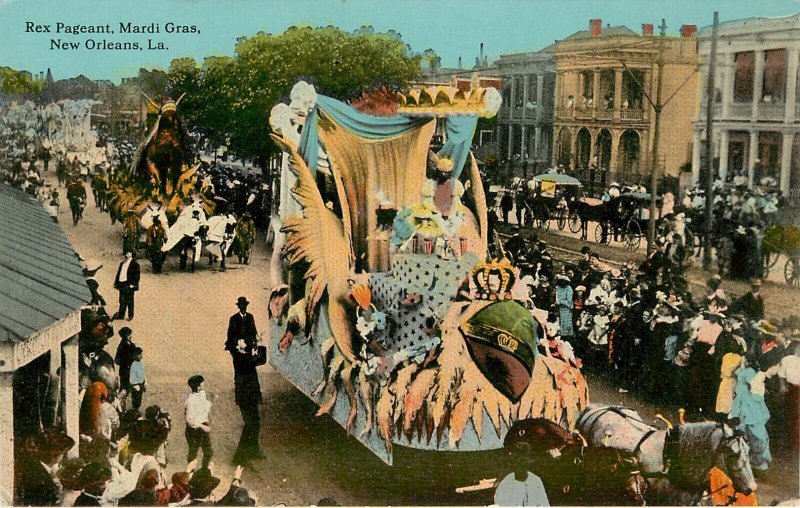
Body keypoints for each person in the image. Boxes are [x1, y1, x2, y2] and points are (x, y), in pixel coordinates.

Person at [226, 297, 264, 464]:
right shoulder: (240, 360)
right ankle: (241, 455)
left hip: (250, 393)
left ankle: (252, 450)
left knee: (255, 422)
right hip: (246, 394)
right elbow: (232, 338)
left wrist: (253, 346)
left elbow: (253, 335)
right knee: (251, 423)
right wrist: (245, 350)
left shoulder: (249, 318)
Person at [15, 430, 76, 506]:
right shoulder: (38, 475)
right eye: (63, 453)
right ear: (56, 453)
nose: (63, 457)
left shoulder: (38, 469)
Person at [185, 374, 214, 468]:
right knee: (193, 453)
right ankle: (190, 472)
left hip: (203, 425)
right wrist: (203, 427)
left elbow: (205, 405)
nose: (204, 384)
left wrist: (211, 401)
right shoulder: (191, 401)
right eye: (202, 383)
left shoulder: (202, 394)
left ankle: (204, 470)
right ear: (198, 386)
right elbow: (190, 421)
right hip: (194, 430)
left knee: (208, 452)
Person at [113, 251, 140, 321]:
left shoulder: (135, 264)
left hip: (129, 284)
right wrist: (116, 283)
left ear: (132, 255)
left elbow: (137, 276)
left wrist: (133, 284)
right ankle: (121, 314)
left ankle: (130, 315)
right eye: (126, 253)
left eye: (129, 253)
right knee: (121, 300)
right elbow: (119, 273)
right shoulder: (122, 263)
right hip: (122, 283)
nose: (127, 254)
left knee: (130, 300)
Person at [114, 326, 137, 407]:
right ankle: (120, 404)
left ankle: (121, 403)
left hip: (125, 369)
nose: (131, 336)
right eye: (129, 335)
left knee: (126, 387)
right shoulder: (126, 345)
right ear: (127, 336)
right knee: (125, 388)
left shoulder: (126, 344)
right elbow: (119, 359)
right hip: (126, 370)